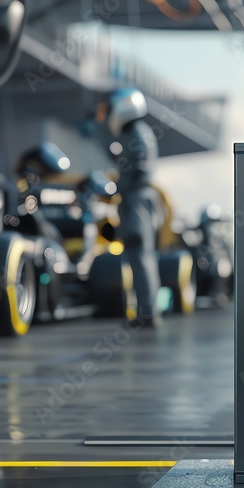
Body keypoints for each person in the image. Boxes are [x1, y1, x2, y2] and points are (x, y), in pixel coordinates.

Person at [95, 88, 163, 328]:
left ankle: (148, 313)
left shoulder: (138, 133)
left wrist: (118, 185)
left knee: (139, 255)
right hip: (136, 199)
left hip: (137, 201)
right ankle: (148, 311)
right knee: (140, 256)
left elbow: (137, 168)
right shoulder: (137, 133)